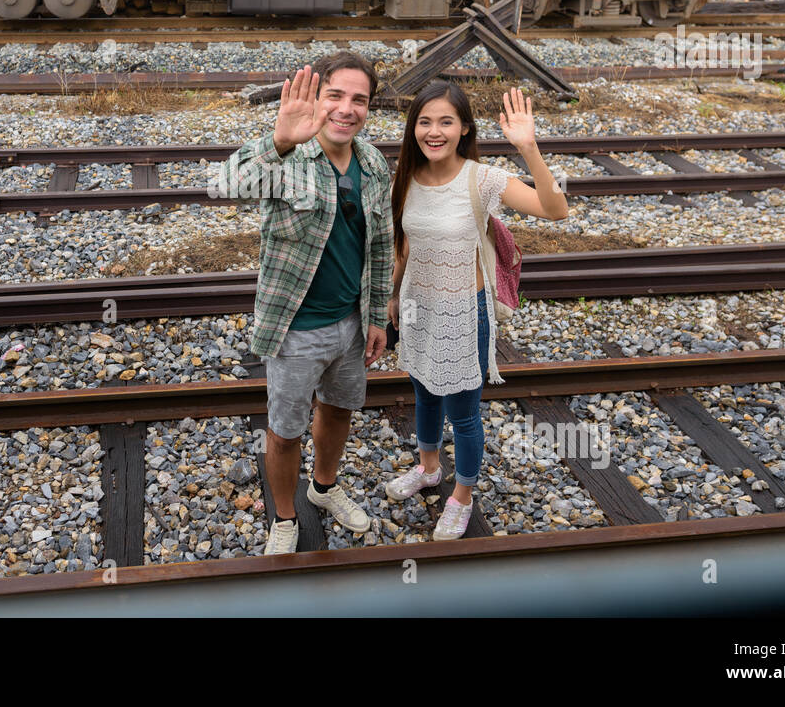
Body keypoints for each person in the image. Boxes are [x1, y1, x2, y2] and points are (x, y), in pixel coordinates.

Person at [218, 51, 392, 555]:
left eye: (359, 99)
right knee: (286, 428)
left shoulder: (373, 162)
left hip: (352, 323)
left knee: (339, 411)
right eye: (335, 95)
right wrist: (277, 141)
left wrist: (377, 315)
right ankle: (285, 516)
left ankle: (324, 487)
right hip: (295, 327)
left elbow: (379, 246)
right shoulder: (288, 155)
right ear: (316, 99)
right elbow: (224, 186)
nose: (346, 109)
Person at [384, 81, 568, 539]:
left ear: (464, 128)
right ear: (413, 129)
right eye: (424, 121)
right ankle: (429, 469)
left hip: (465, 311)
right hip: (417, 306)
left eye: (446, 121)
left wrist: (528, 148)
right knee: (424, 394)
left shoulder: (482, 179)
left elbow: (555, 209)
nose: (434, 131)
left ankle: (462, 495)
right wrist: (391, 295)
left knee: (463, 413)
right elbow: (403, 244)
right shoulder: (405, 176)